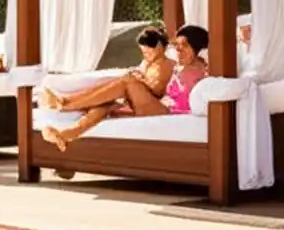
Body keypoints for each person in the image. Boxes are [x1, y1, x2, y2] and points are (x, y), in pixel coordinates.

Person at [42, 25, 209, 151]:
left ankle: (65, 103)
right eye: (177, 45)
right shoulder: (180, 66)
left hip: (168, 112)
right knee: (109, 103)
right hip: (161, 106)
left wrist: (141, 83)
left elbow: (166, 91)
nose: (178, 50)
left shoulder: (200, 69)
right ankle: (68, 133)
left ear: (197, 47)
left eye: (184, 45)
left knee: (127, 81)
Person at [41, 27, 174, 112]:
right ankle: (66, 100)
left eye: (148, 52)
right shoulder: (149, 63)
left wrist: (141, 79)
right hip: (141, 98)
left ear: (159, 47)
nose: (145, 56)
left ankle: (67, 105)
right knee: (117, 81)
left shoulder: (168, 65)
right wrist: (137, 75)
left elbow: (158, 90)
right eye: (143, 52)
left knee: (125, 81)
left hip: (153, 105)